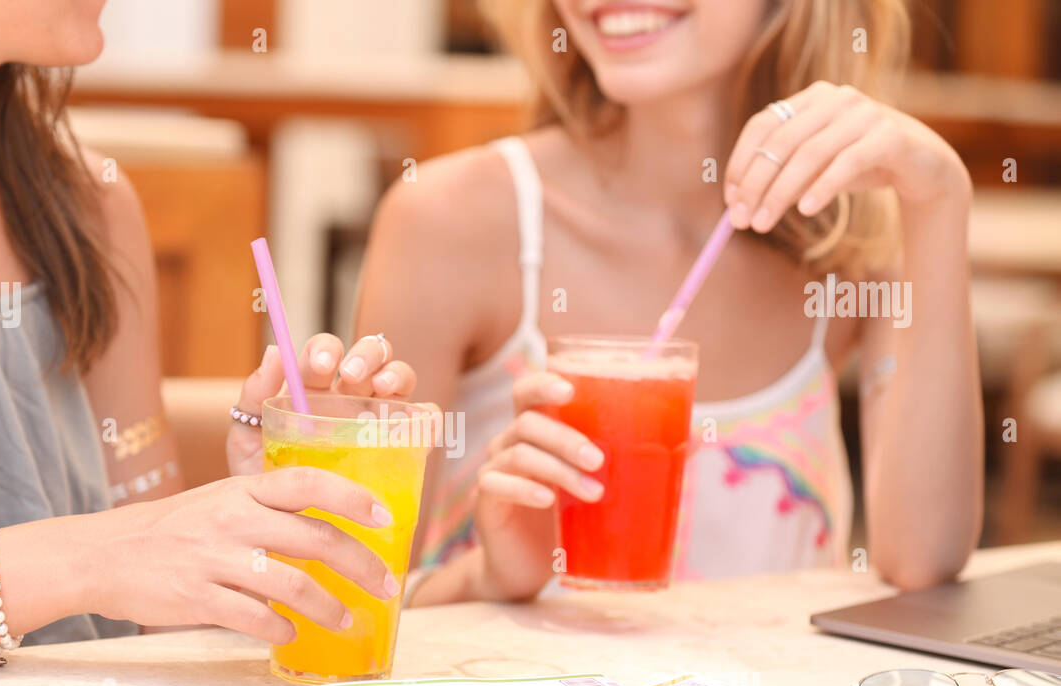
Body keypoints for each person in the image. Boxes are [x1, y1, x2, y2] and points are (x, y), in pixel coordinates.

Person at [0, 0, 418, 668]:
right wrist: (83, 561)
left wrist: (255, 535)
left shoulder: (90, 213)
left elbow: (151, 617)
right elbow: (109, 559)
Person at [355, 0, 983, 605]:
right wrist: (485, 580)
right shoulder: (448, 220)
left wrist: (939, 196)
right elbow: (354, 600)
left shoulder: (853, 239)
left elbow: (922, 559)